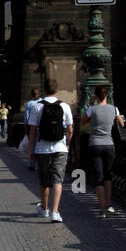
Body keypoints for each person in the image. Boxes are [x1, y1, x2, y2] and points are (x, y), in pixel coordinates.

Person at [26, 79, 73, 223]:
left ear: (44, 89)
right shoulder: (64, 106)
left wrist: (30, 149)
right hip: (60, 148)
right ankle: (55, 211)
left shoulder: (37, 106)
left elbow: (32, 131)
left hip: (42, 149)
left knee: (44, 180)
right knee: (58, 180)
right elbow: (70, 130)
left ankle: (45, 208)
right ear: (57, 89)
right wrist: (68, 144)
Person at [81, 85, 125, 218]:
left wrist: (90, 105)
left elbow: (83, 122)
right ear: (106, 95)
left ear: (95, 96)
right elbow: (122, 124)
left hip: (95, 144)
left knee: (98, 177)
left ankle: (102, 210)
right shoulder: (114, 109)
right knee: (108, 175)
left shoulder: (92, 109)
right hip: (109, 145)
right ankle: (109, 204)